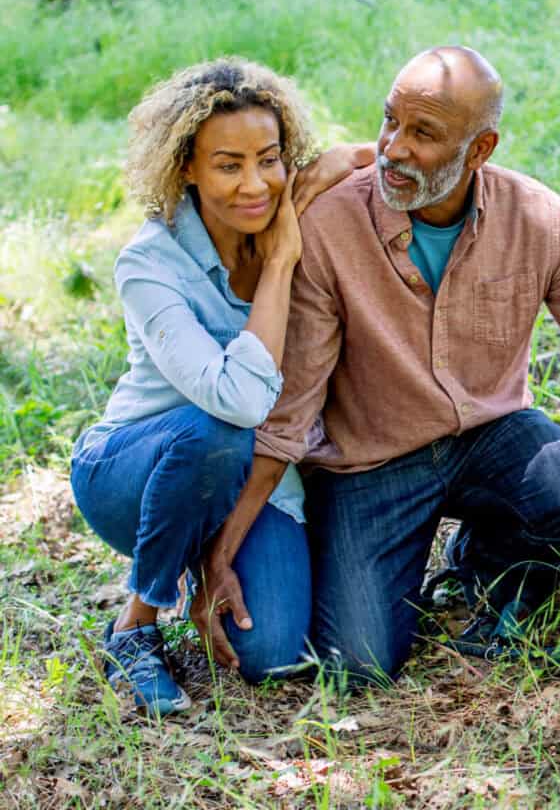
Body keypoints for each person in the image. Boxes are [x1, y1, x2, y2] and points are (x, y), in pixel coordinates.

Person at [216, 46, 560, 682]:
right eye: (389, 121)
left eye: (424, 133)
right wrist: (225, 548)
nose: (394, 148)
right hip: (368, 462)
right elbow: (290, 412)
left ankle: (481, 560)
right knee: (361, 665)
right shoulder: (330, 224)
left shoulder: (535, 217)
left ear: (480, 149)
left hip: (491, 436)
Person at [69, 58, 371, 716]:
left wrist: (333, 168)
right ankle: (136, 625)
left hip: (238, 479)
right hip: (134, 471)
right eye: (228, 165)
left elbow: (369, 155)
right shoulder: (150, 263)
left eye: (269, 160)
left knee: (272, 652)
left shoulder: (292, 214)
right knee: (217, 429)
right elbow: (237, 401)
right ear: (187, 168)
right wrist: (279, 267)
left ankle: (208, 552)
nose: (254, 184)